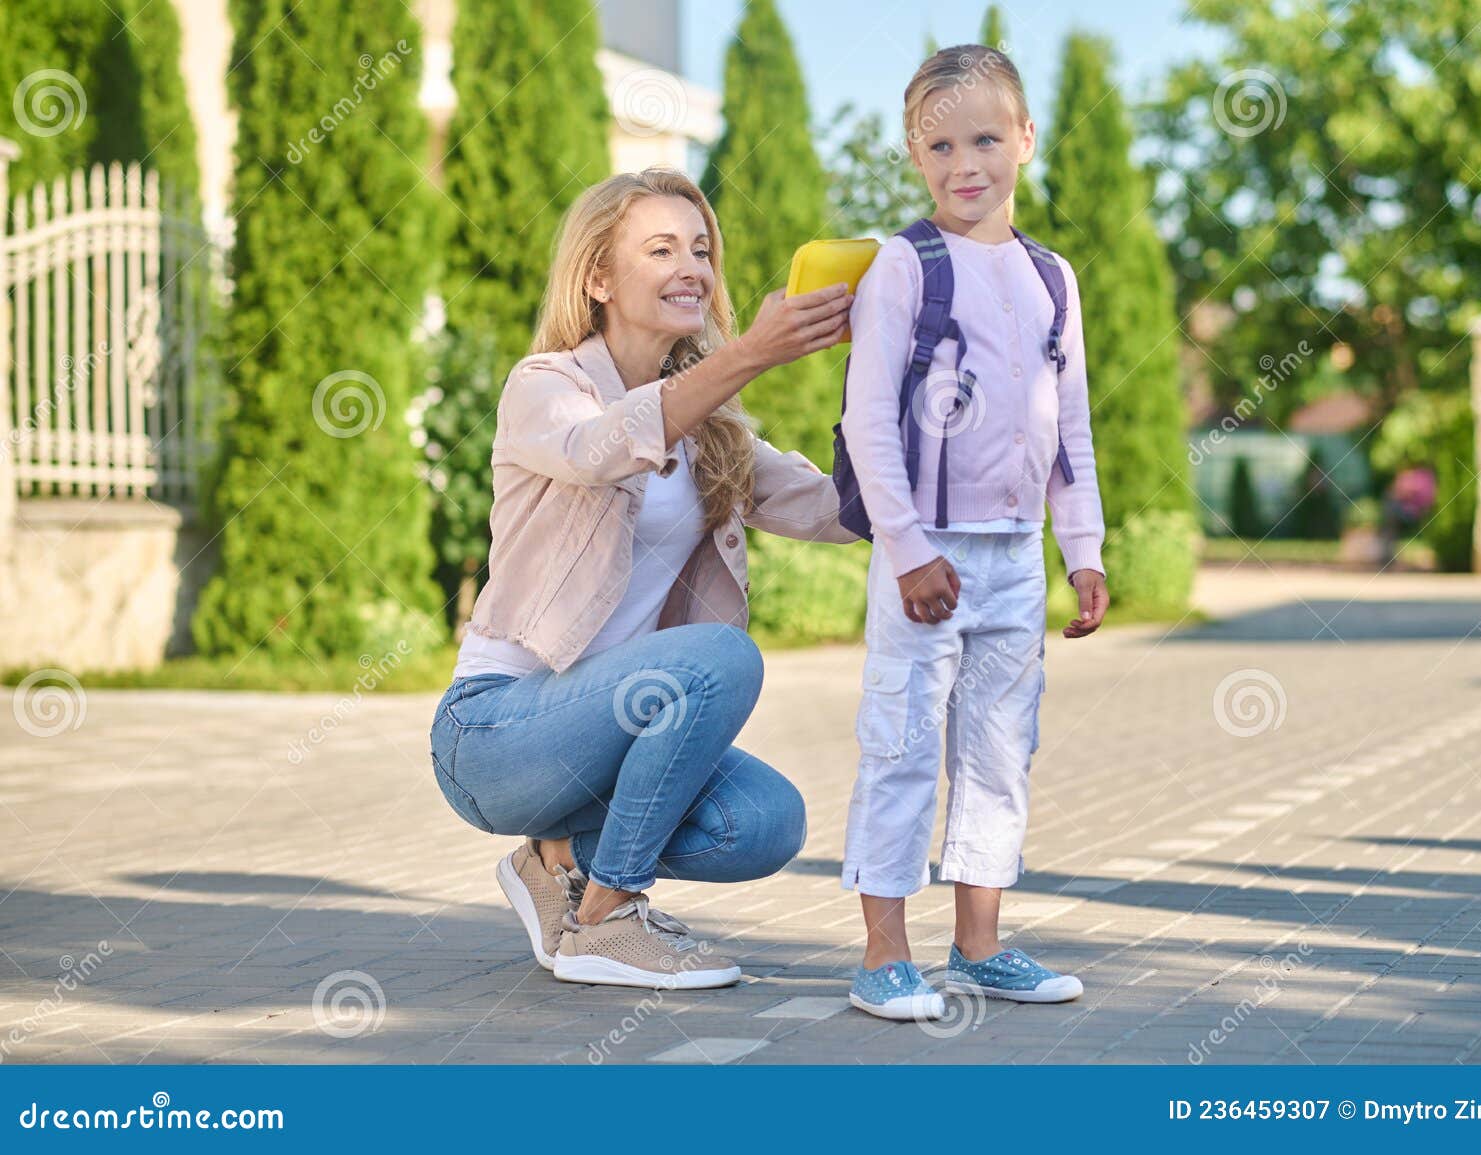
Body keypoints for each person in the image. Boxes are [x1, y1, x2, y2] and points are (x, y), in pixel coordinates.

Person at [429, 168, 856, 991]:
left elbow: (834, 508)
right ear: (598, 277)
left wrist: (887, 381)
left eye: (700, 249)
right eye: (661, 250)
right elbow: (599, 448)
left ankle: (556, 858)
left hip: (605, 734)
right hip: (493, 734)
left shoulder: (711, 431)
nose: (691, 267)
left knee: (764, 821)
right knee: (721, 659)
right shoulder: (545, 386)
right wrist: (750, 353)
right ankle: (607, 917)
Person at [837, 45, 1110, 1020]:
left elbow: (1068, 427)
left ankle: (979, 946)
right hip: (927, 556)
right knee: (903, 747)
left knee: (999, 754)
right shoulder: (903, 266)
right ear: (916, 155)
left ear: (1024, 139)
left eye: (986, 139)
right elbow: (869, 421)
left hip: (1014, 556)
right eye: (942, 145)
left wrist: (1083, 548)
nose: (966, 163)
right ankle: (882, 957)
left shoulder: (1052, 277)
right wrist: (907, 549)